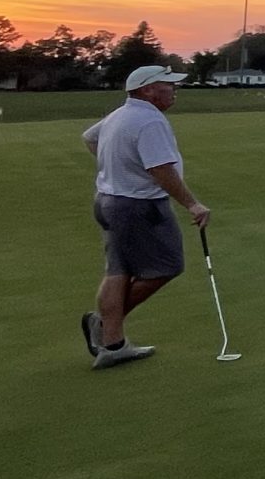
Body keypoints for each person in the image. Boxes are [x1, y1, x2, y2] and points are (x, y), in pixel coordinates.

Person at [78, 64, 210, 369]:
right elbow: (161, 170)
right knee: (167, 266)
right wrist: (193, 205)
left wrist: (118, 167)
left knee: (119, 270)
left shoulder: (120, 114)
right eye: (168, 85)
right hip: (139, 206)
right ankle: (105, 325)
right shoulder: (149, 120)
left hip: (108, 200)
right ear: (147, 89)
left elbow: (89, 137)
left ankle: (112, 343)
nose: (174, 90)